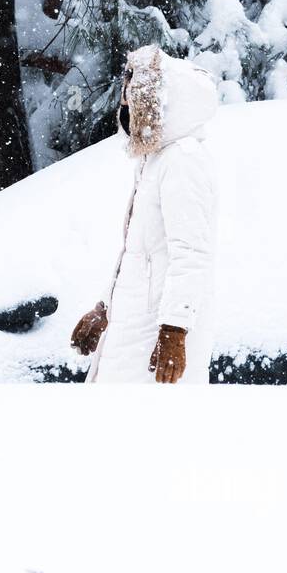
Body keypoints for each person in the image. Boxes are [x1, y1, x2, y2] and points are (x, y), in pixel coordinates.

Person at [70, 45, 218, 384]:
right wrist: (104, 310)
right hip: (133, 333)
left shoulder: (183, 160)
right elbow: (138, 256)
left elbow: (191, 254)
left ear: (157, 103)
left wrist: (174, 330)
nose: (124, 106)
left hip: (154, 340)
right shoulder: (153, 161)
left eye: (132, 98)